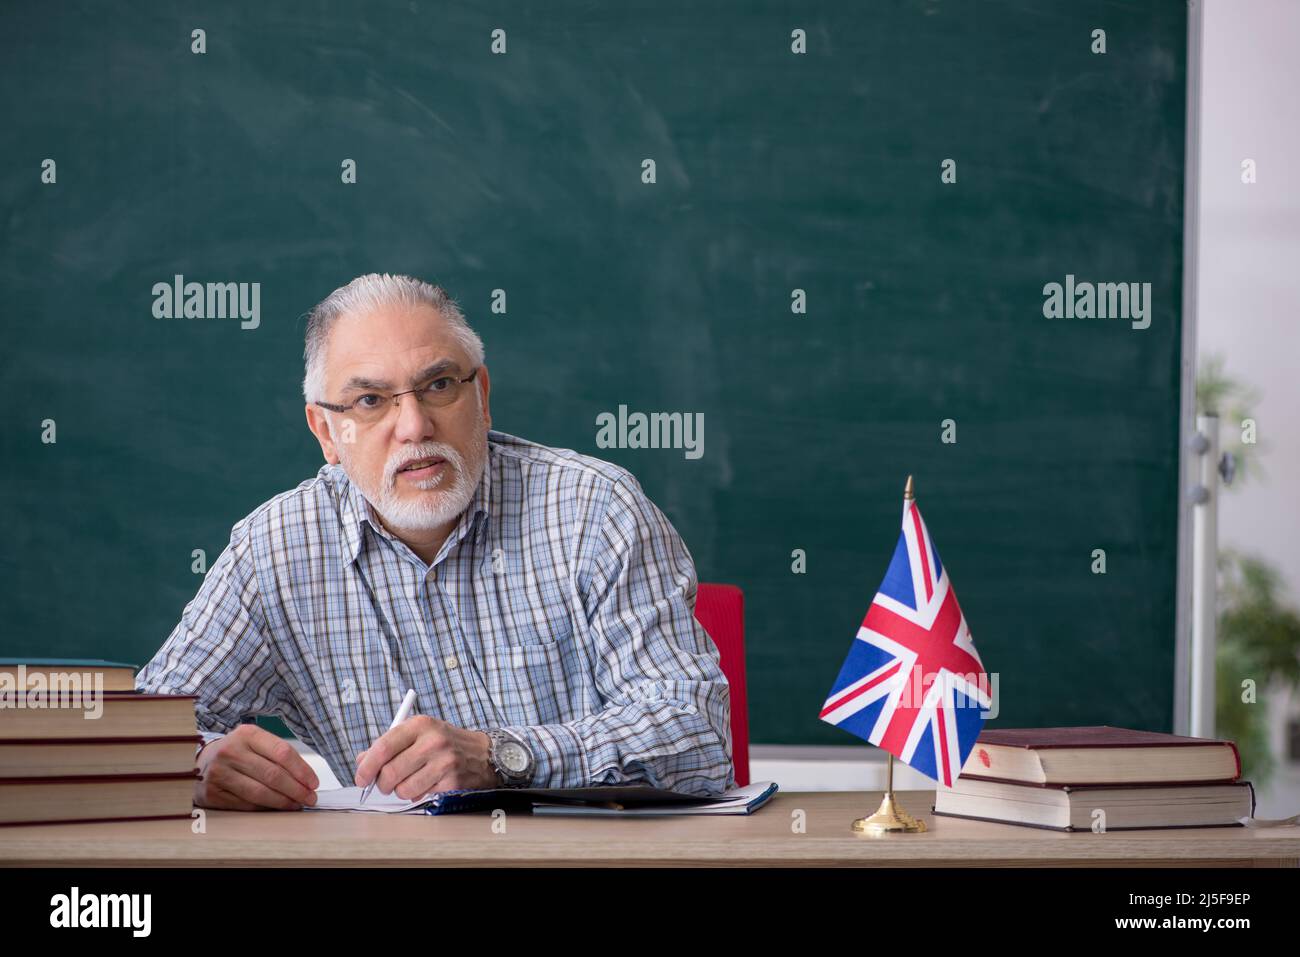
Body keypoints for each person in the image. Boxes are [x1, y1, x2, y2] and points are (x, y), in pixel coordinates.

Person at [136, 273, 734, 810]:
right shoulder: (275, 551)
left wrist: (505, 756)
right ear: (326, 431)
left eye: (440, 384)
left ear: (482, 394)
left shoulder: (596, 511)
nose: (415, 426)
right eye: (371, 401)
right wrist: (196, 765)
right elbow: (141, 729)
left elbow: (699, 735)